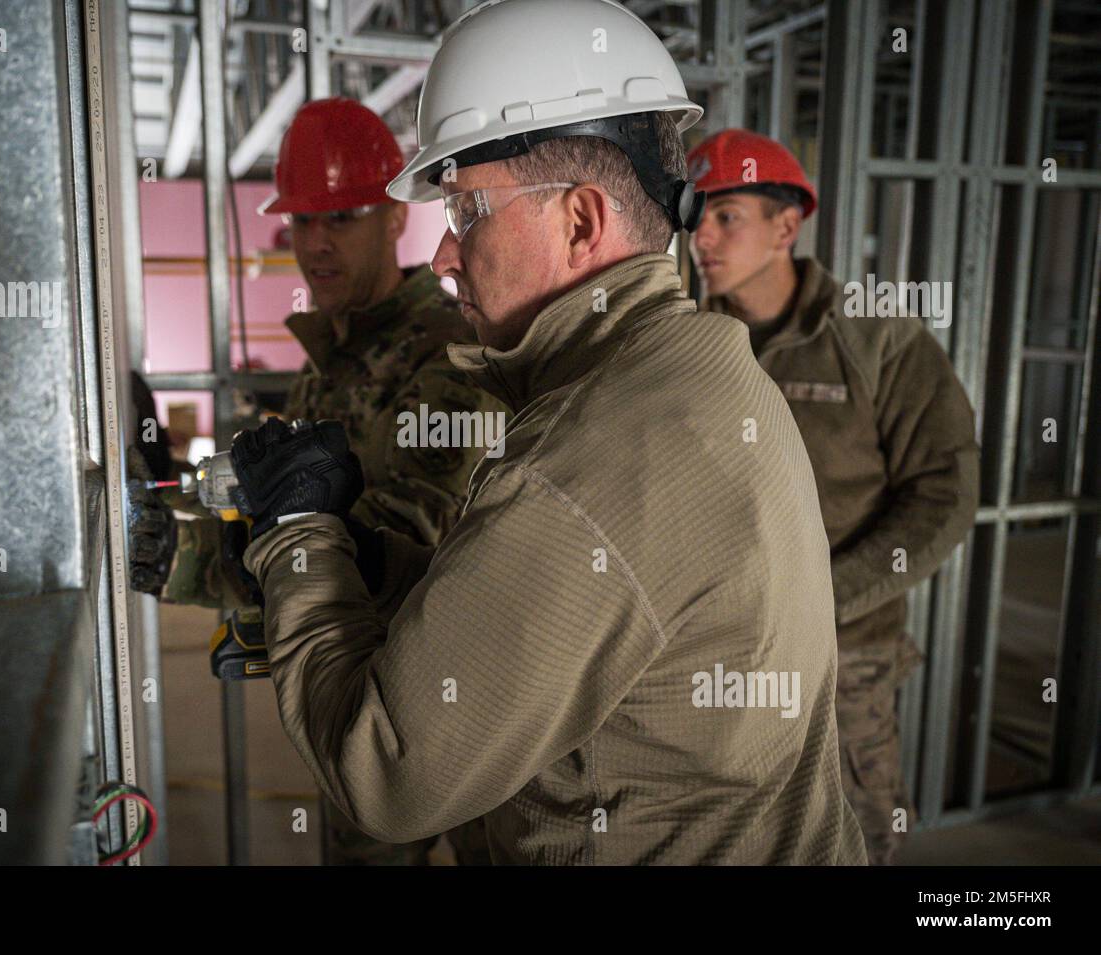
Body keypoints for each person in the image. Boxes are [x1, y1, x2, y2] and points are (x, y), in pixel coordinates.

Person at [222, 0, 866, 865]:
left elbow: (388, 775)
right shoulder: (698, 370)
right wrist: (372, 566)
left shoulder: (588, 454)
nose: (445, 258)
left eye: (465, 213)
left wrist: (299, 537)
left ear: (581, 221)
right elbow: (560, 620)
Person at [156, 97, 505, 865]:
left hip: (467, 705)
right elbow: (287, 526)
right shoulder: (327, 367)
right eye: (303, 222)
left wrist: (200, 559)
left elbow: (390, 545)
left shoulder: (448, 357)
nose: (316, 244)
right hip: (358, 702)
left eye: (340, 218)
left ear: (392, 218)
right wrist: (186, 530)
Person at [686, 127, 980, 864]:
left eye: (727, 216)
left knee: (858, 832)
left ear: (787, 226)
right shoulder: (686, 346)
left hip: (845, 655)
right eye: (696, 216)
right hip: (718, 651)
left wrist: (828, 594)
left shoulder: (876, 337)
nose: (702, 237)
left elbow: (944, 491)